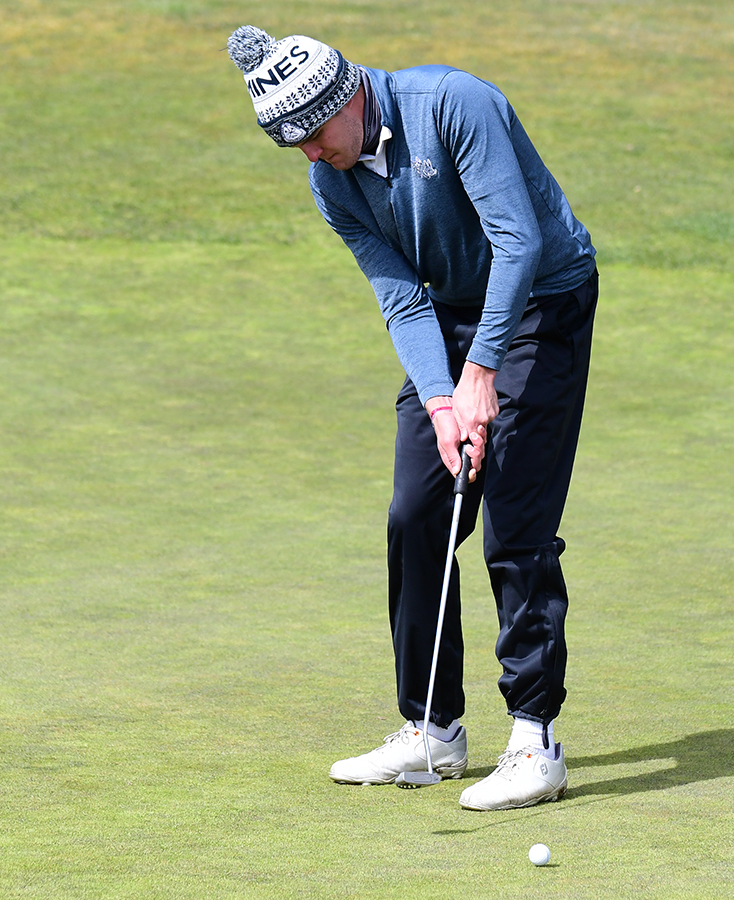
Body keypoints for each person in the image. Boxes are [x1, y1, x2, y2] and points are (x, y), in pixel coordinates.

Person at [226, 26, 598, 811]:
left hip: (544, 302)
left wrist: (482, 373)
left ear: (348, 98)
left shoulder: (453, 104)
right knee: (416, 513)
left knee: (514, 523)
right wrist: (440, 399)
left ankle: (535, 742)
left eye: (314, 134)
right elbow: (401, 298)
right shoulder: (332, 182)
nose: (310, 154)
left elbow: (518, 242)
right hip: (451, 315)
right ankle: (434, 727)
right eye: (292, 145)